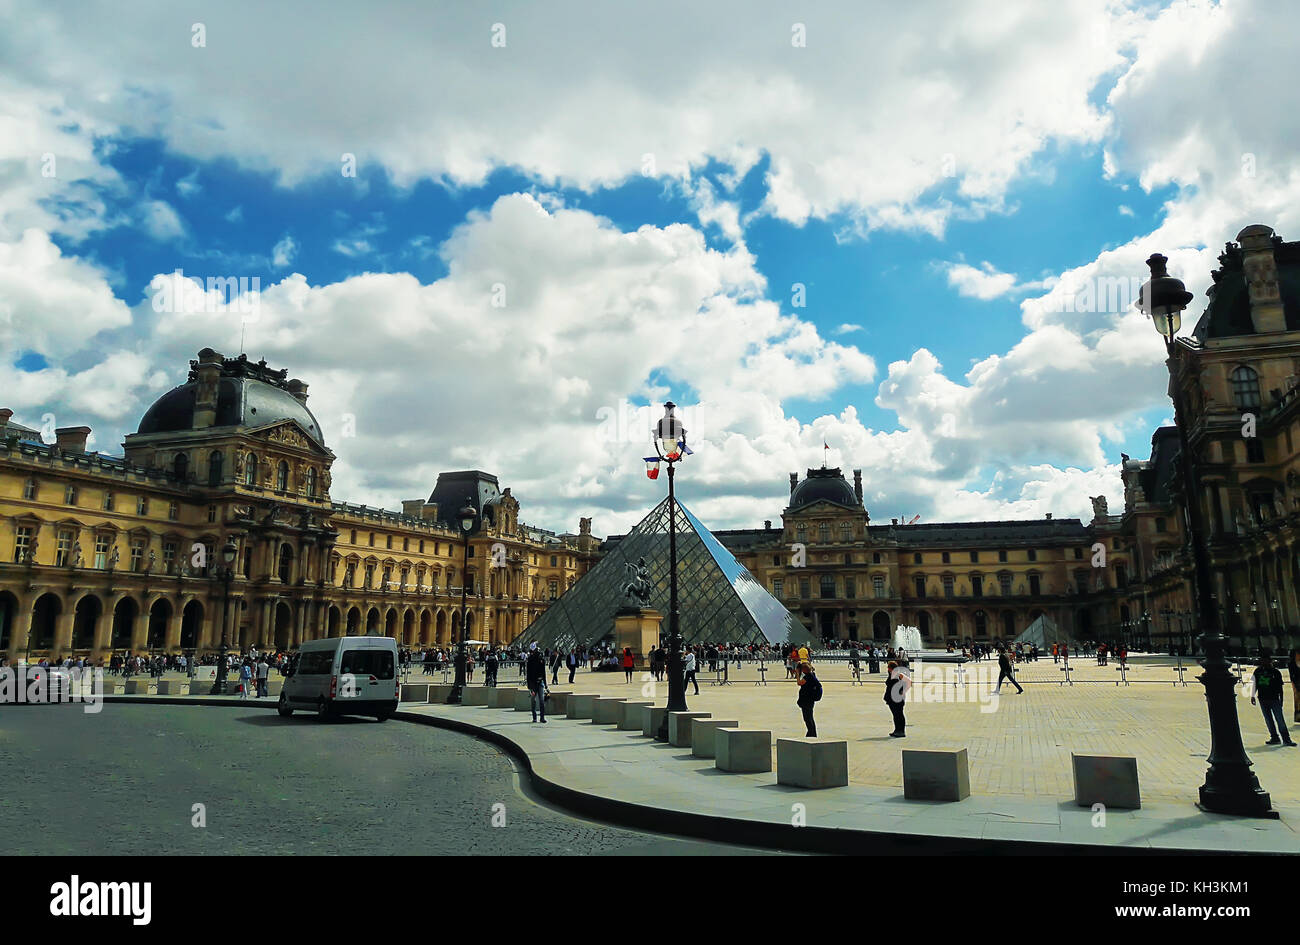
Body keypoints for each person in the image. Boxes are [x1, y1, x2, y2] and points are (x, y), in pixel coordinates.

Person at [1251, 654, 1295, 746]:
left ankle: (1286, 739)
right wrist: (1252, 695)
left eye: (1265, 660)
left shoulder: (1275, 672)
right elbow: (1255, 684)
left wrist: (1281, 699)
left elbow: (1280, 687)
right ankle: (1274, 737)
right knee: (1268, 719)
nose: (1263, 662)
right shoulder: (1258, 671)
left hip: (1274, 699)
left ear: (1270, 661)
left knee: (1280, 720)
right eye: (1262, 660)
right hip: (1263, 699)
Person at [885, 659, 911, 737]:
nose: (887, 669)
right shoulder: (892, 674)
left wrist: (903, 692)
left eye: (888, 667)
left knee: (899, 715)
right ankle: (897, 730)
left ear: (891, 668)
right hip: (892, 698)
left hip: (897, 698)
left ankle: (901, 731)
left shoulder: (898, 675)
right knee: (896, 715)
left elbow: (909, 682)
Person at [796, 661, 821, 737]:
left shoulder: (808, 677)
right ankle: (811, 733)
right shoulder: (812, 674)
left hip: (807, 700)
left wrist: (797, 673)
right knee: (809, 717)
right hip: (810, 700)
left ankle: (811, 733)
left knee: (807, 718)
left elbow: (799, 683)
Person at [525, 643, 547, 723]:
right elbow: (528, 673)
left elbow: (543, 672)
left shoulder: (541, 659)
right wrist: (529, 685)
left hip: (539, 682)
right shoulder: (530, 660)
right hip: (533, 683)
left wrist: (545, 684)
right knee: (534, 700)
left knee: (541, 700)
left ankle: (541, 717)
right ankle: (535, 717)